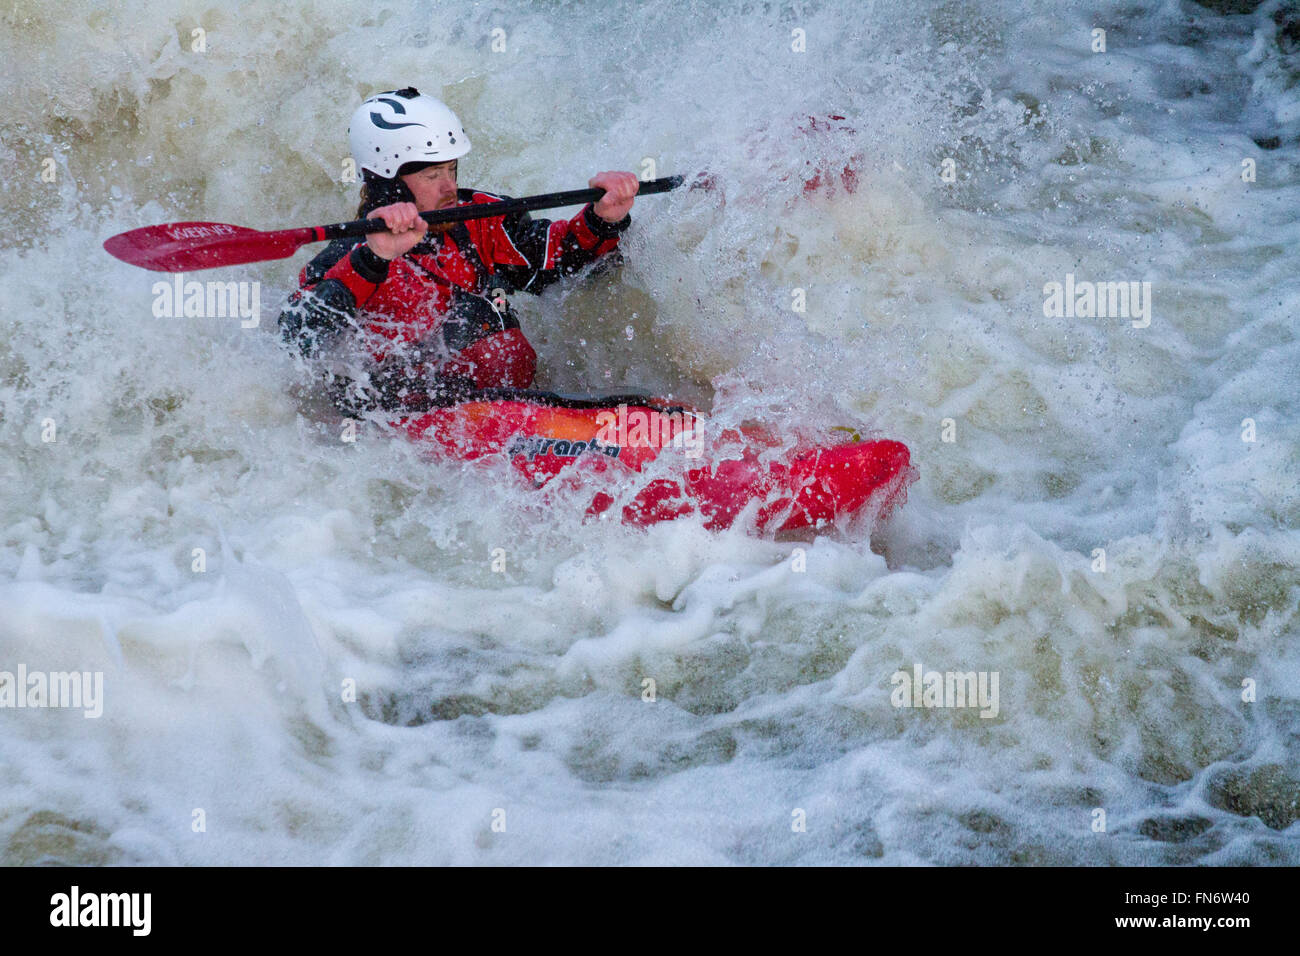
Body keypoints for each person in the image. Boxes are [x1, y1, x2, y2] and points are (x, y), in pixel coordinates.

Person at [278, 87, 640, 413]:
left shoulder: (482, 219)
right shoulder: (353, 254)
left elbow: (556, 262)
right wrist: (375, 258)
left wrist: (602, 219)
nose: (449, 188)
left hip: (501, 409)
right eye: (432, 176)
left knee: (491, 324)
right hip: (399, 415)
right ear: (388, 185)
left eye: (451, 169)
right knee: (486, 332)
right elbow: (296, 333)